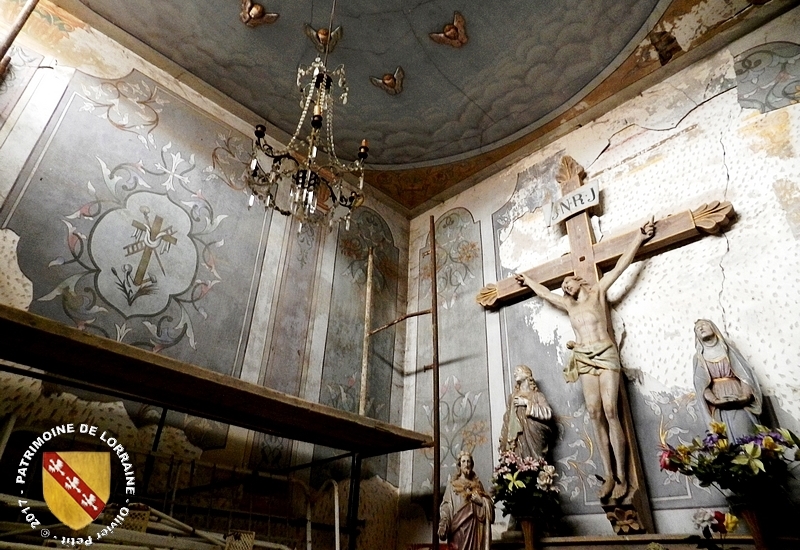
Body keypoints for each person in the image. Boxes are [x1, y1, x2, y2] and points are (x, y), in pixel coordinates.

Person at [515, 218, 655, 501]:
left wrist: (638, 238)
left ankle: (624, 478)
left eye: (568, 282)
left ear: (579, 282)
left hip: (605, 353)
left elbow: (620, 267)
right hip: (584, 358)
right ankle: (609, 475)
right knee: (594, 413)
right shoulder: (568, 305)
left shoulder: (598, 293)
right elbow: (544, 293)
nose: (565, 287)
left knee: (611, 411)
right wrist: (529, 281)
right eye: (563, 286)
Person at [693, 319, 762, 441]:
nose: (701, 328)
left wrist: (745, 396)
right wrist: (715, 400)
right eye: (698, 329)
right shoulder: (699, 357)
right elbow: (701, 386)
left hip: (737, 393)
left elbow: (745, 375)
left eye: (704, 325)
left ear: (713, 327)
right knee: (725, 440)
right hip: (718, 403)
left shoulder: (728, 349)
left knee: (746, 434)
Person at [438, 450, 494, 550]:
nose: (466, 464)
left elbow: (489, 504)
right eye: (463, 461)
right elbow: (446, 506)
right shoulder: (453, 485)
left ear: (472, 464)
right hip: (458, 529)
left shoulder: (477, 484)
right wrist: (443, 524)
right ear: (459, 465)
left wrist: (481, 501)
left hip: (475, 530)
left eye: (468, 461)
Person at [499, 365, 553, 460]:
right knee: (516, 460)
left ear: (527, 374)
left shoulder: (537, 396)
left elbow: (548, 413)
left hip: (533, 435)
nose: (515, 373)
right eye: (515, 371)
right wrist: (503, 438)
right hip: (517, 438)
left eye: (518, 370)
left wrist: (526, 402)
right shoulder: (512, 397)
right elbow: (507, 419)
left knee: (535, 462)